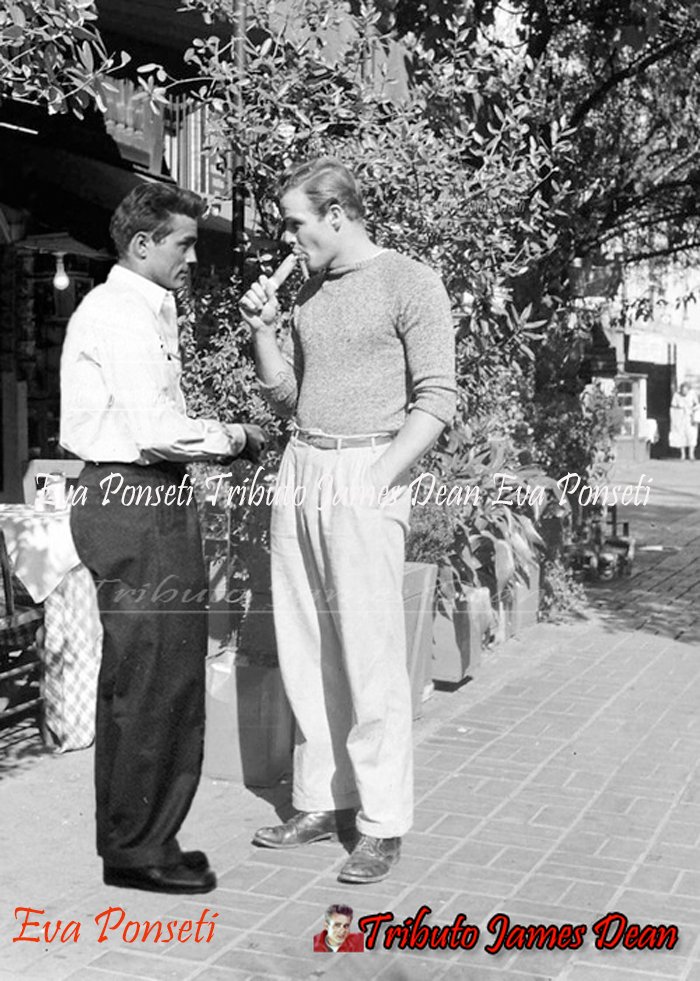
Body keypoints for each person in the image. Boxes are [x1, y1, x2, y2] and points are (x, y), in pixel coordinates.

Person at [239, 157, 456, 884]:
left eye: (296, 224)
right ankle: (319, 799)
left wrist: (378, 477)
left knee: (369, 653)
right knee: (304, 640)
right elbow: (287, 396)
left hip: (366, 470)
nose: (288, 239)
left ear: (337, 214)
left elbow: (436, 400)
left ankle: (382, 821)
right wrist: (266, 330)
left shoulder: (410, 282)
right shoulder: (308, 292)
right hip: (302, 466)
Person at [60, 182, 265, 894]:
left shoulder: (143, 307)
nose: (192, 256)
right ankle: (139, 847)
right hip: (133, 496)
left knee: (148, 673)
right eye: (182, 242)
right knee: (155, 676)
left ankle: (137, 837)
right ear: (142, 244)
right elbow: (154, 428)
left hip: (145, 495)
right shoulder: (120, 312)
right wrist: (237, 437)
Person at [669, 381, 699, 460]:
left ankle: (691, 454)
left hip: (690, 417)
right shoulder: (676, 395)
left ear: (688, 390)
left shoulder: (692, 394)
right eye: (682, 390)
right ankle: (682, 454)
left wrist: (693, 410)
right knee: (681, 435)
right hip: (680, 418)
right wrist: (679, 407)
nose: (684, 392)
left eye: (686, 390)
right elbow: (673, 405)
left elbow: (697, 405)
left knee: (692, 435)